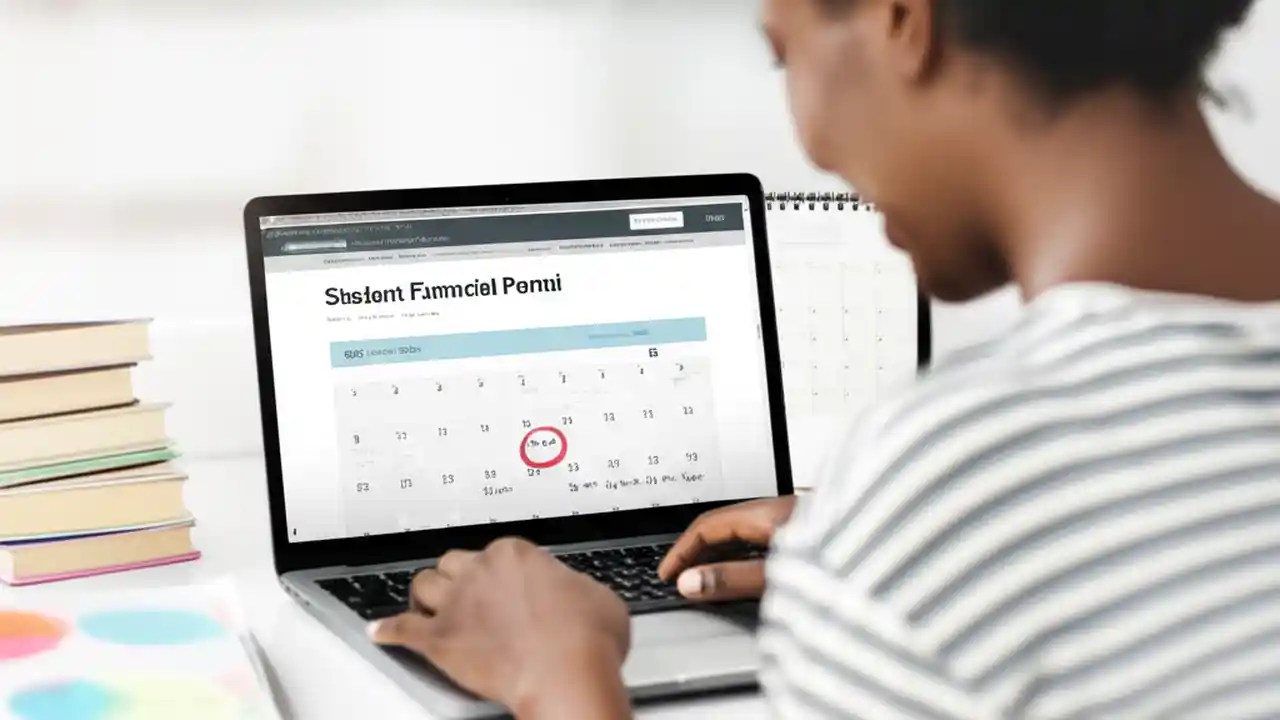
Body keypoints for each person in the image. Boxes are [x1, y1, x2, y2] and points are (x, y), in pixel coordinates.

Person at [369, 0, 1280, 716]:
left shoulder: (948, 488)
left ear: (902, 20)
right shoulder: (949, 509)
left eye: (783, 54)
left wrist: (560, 677)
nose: (803, 134)